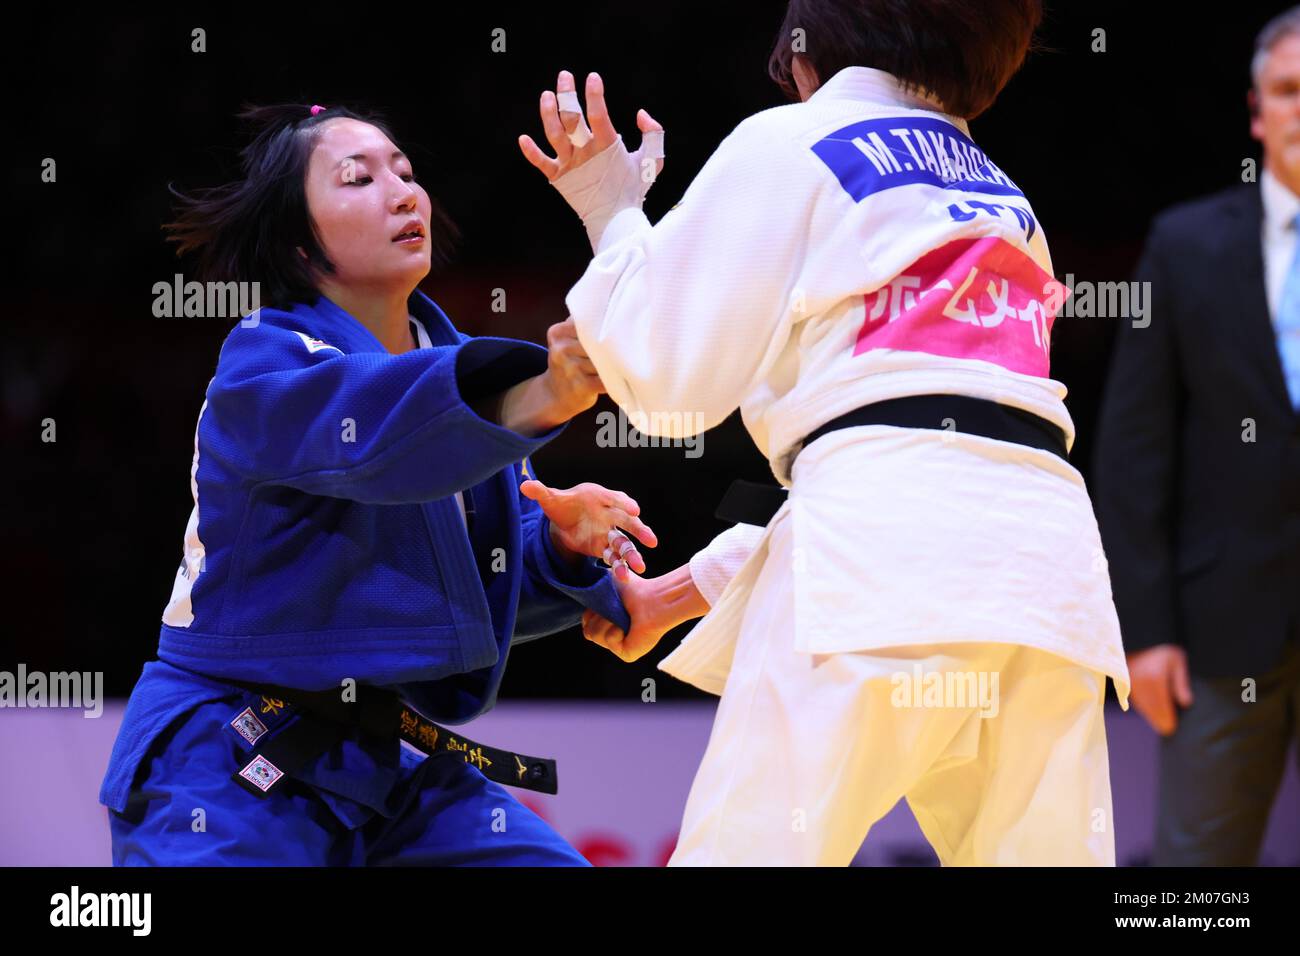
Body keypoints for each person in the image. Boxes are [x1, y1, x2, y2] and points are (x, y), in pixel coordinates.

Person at [521, 0, 1131, 866]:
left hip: (874, 578)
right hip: (1050, 590)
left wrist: (612, 211)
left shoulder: (796, 139)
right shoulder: (1004, 200)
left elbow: (665, 386)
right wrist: (683, 591)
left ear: (816, 52)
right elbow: (926, 450)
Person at [99, 102, 656, 866]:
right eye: (357, 180)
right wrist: (541, 393)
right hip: (227, 756)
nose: (402, 194)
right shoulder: (262, 366)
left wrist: (558, 550)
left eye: (406, 173)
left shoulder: (446, 361)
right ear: (300, 241)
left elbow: (462, 597)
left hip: (384, 763)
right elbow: (375, 442)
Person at [1094, 7, 1300, 866]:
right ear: (1257, 112)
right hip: (1221, 628)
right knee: (1198, 883)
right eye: (1290, 91)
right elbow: (1135, 448)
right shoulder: (1185, 246)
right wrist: (1142, 629)